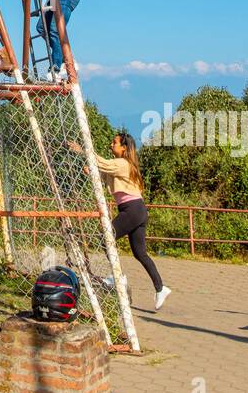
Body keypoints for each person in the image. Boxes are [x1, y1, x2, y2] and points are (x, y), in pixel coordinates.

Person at [69, 131, 171, 310]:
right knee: (140, 253)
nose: (111, 145)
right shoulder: (120, 166)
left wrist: (82, 150)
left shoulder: (123, 164)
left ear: (124, 148)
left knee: (105, 238)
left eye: (114, 143)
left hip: (132, 210)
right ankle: (160, 288)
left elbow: (105, 164)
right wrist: (91, 171)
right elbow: (105, 175)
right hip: (136, 210)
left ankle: (118, 277)